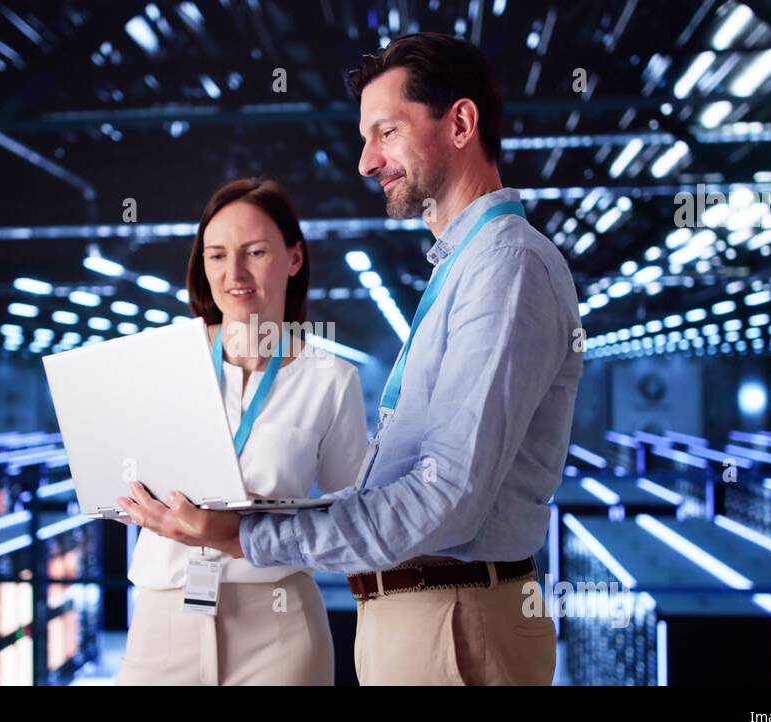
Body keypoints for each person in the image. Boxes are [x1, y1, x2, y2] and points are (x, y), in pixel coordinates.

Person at [119, 32, 584, 686]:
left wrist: (243, 535)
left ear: (460, 122)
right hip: (425, 619)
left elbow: (447, 496)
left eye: (386, 132)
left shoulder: (505, 266)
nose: (367, 161)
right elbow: (379, 492)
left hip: (453, 622)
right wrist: (235, 522)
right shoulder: (466, 268)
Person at [115, 178, 369, 686]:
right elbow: (119, 476)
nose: (234, 273)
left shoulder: (331, 381)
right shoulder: (158, 361)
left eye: (255, 252)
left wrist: (243, 533)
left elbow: (354, 523)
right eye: (216, 255)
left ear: (295, 258)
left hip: (278, 627)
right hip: (165, 619)